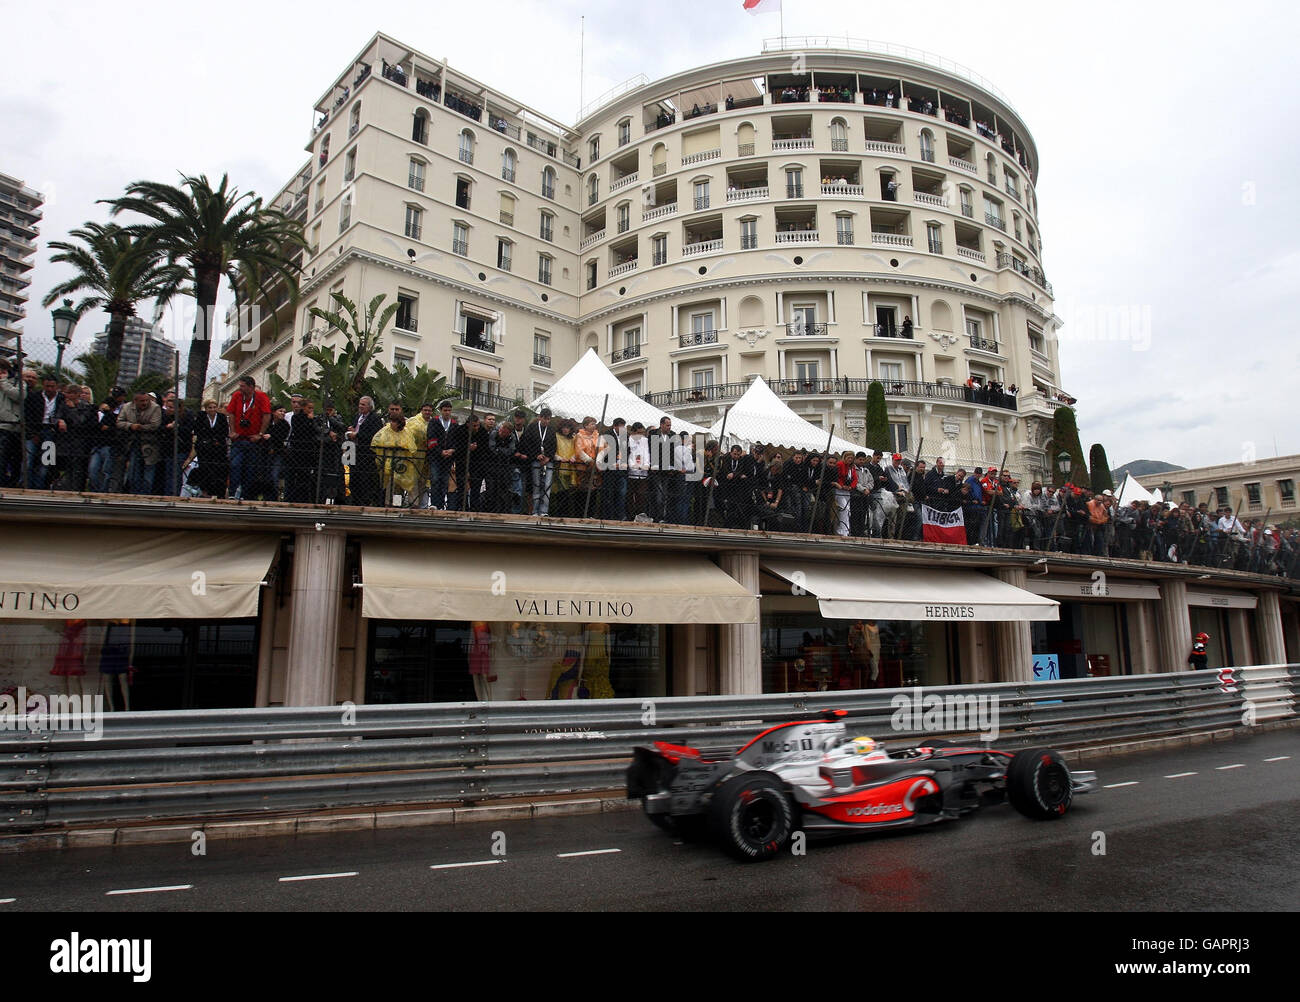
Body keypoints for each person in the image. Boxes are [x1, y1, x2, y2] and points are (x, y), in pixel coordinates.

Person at [225, 376, 271, 499]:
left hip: (253, 440)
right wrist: (232, 430)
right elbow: (231, 413)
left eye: (242, 386)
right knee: (235, 464)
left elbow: (266, 415)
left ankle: (245, 495)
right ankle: (232, 492)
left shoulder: (261, 397)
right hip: (239, 439)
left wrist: (260, 434)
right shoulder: (237, 396)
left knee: (250, 468)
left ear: (251, 387)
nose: (240, 388)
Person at [117, 391, 162, 495]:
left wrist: (140, 427)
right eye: (142, 401)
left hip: (149, 444)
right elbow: (119, 422)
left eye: (147, 400)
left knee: (148, 470)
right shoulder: (127, 407)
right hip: (133, 443)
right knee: (133, 470)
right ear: (135, 401)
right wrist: (130, 426)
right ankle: (134, 493)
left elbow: (155, 425)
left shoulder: (155, 408)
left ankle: (146, 494)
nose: (145, 403)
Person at [346, 396, 384, 506]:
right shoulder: (357, 416)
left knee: (365, 478)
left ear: (370, 407)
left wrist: (357, 434)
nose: (360, 406)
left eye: (363, 404)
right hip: (354, 451)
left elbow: (374, 435)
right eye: (360, 404)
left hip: (366, 453)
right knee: (354, 476)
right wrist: (352, 431)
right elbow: (356, 428)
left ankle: (365, 501)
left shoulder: (374, 418)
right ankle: (354, 500)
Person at [371, 412, 419, 502]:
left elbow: (412, 447)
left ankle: (399, 504)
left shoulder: (406, 432)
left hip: (404, 463)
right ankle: (388, 503)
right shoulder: (385, 430)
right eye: (392, 421)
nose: (392, 423)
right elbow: (376, 441)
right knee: (390, 483)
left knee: (400, 486)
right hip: (388, 462)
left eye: (394, 421)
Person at [518, 407, 557, 515]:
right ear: (540, 417)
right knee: (536, 485)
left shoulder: (551, 430)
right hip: (536, 461)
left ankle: (544, 511)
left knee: (547, 486)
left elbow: (554, 446)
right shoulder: (532, 427)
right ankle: (535, 511)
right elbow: (527, 444)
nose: (546, 421)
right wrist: (536, 455)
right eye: (544, 418)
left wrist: (548, 457)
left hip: (548, 462)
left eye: (548, 419)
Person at [191, 397, 230, 498]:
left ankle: (217, 493)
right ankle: (205, 491)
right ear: (206, 408)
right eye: (210, 407)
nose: (212, 409)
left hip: (218, 449)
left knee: (218, 470)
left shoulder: (221, 417)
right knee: (204, 469)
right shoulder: (201, 416)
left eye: (214, 407)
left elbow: (224, 432)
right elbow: (198, 430)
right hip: (204, 448)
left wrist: (215, 438)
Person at [425, 400, 457, 510]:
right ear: (441, 411)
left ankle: (441, 504)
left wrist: (452, 450)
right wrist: (440, 451)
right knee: (435, 479)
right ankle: (434, 503)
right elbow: (431, 439)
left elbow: (456, 440)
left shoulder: (454, 424)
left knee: (444, 481)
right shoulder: (434, 422)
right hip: (436, 457)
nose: (447, 412)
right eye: (445, 410)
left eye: (449, 410)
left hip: (448, 458)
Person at [626, 422, 650, 518]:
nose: (641, 435)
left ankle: (640, 514)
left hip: (643, 472)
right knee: (630, 494)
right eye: (639, 433)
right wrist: (633, 465)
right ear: (633, 432)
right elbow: (628, 454)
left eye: (642, 433)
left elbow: (647, 453)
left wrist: (646, 464)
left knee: (641, 495)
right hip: (632, 472)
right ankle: (630, 515)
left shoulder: (645, 440)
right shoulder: (629, 440)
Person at [833, 449, 858, 537]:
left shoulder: (852, 467)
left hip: (847, 490)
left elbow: (855, 478)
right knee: (844, 508)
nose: (850, 459)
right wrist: (842, 485)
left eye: (851, 458)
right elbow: (837, 476)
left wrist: (851, 486)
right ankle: (842, 530)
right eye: (848, 458)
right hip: (840, 489)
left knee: (847, 510)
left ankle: (845, 529)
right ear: (845, 457)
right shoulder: (840, 464)